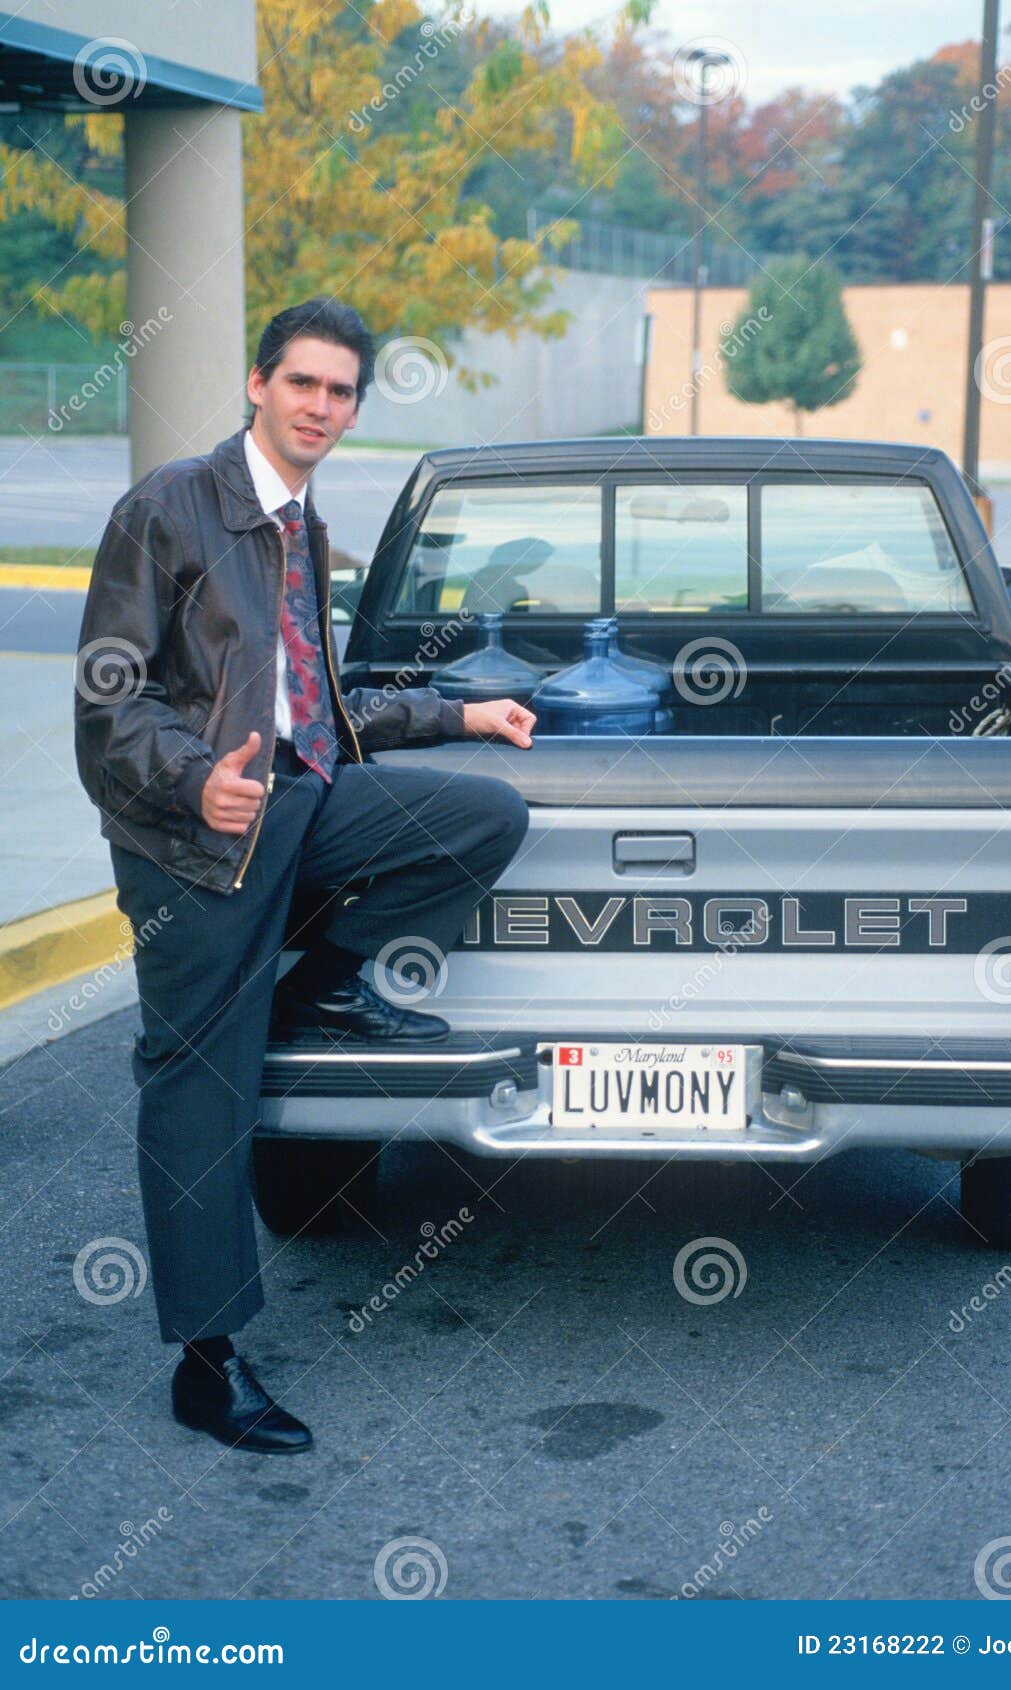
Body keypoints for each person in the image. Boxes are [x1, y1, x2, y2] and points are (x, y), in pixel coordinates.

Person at [74, 296, 534, 1455]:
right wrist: (194, 784)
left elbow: (313, 704)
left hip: (304, 799)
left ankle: (323, 981)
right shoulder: (168, 507)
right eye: (304, 385)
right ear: (257, 383)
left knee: (476, 818)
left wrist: (456, 710)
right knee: (200, 1087)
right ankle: (207, 1360)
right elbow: (105, 701)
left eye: (341, 393)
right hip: (200, 841)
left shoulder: (306, 524)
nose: (322, 407)